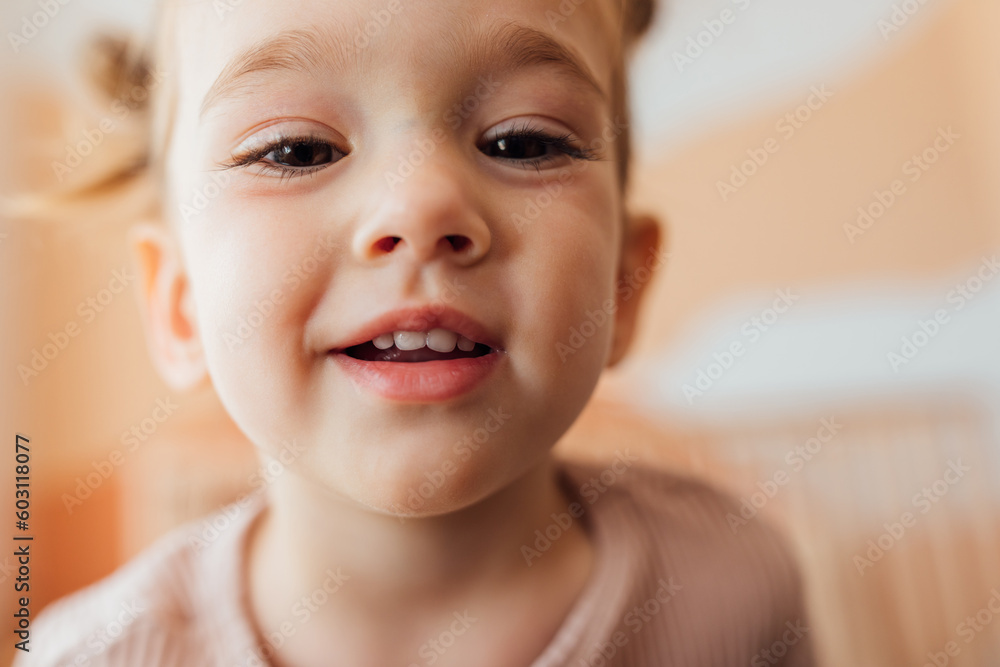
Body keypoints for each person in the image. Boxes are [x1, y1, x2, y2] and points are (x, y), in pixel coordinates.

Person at [17, 0, 814, 664]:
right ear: (179, 302)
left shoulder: (735, 586)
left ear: (622, 284)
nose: (422, 204)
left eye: (523, 142)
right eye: (298, 150)